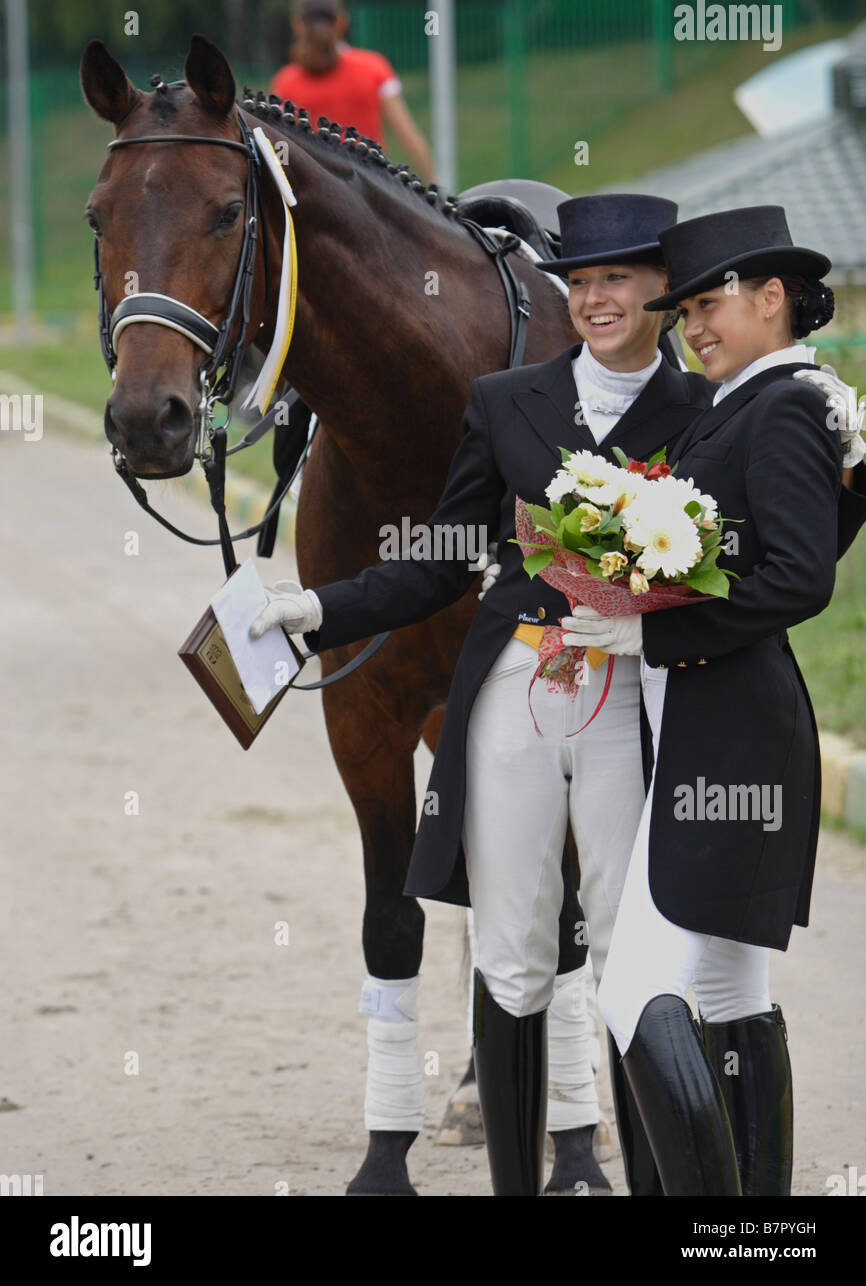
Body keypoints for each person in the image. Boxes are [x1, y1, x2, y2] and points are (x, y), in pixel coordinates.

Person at [249, 195, 866, 1195]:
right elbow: (443, 560)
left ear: (658, 299)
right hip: (520, 689)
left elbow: (776, 543)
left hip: (641, 699)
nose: (592, 300)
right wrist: (318, 607)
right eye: (575, 283)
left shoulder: (711, 403)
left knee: (640, 958)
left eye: (616, 280)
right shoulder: (503, 400)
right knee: (515, 951)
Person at [564, 205, 862, 1195]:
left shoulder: (782, 403)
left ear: (770, 297)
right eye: (680, 308)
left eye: (707, 303)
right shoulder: (751, 400)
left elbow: (797, 579)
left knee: (632, 985)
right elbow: (784, 546)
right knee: (733, 989)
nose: (690, 325)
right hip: (722, 722)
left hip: (732, 731)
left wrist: (648, 629)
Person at [270, 0, 433, 180]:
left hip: (314, 195)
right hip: (373, 190)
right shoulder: (374, 67)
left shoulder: (285, 83)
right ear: (342, 21)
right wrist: (437, 193)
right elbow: (410, 138)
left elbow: (279, 153)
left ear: (296, 24)